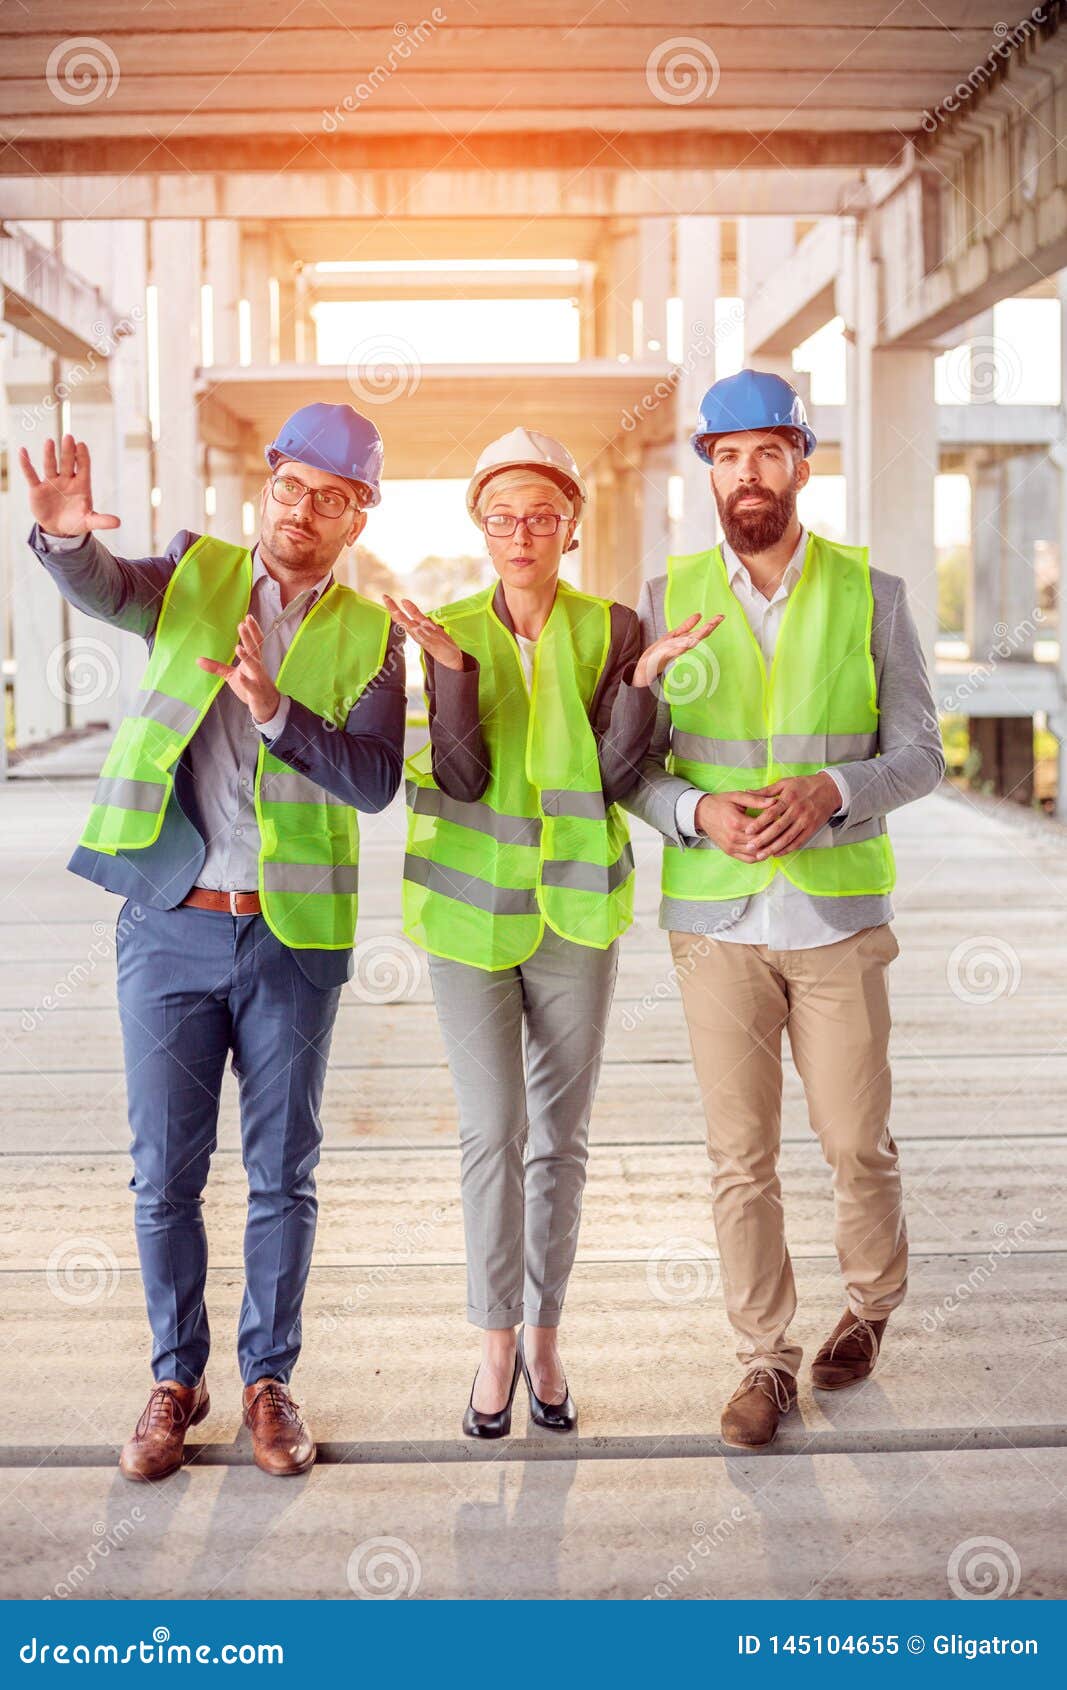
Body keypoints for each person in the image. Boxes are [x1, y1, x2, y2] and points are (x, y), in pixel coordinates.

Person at [19, 403, 407, 1480]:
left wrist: (281, 713)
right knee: (164, 1174)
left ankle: (268, 1383)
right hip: (170, 926)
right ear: (268, 485)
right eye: (291, 486)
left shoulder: (376, 637)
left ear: (356, 516)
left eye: (332, 498)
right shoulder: (191, 575)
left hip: (293, 938)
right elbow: (102, 586)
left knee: (284, 1170)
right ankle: (173, 1379)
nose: (304, 510)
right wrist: (60, 538)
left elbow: (375, 783)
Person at [623, 370, 946, 1451]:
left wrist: (835, 791)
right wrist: (691, 808)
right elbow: (630, 767)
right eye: (724, 455)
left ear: (802, 462)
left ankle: (867, 1303)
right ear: (705, 470)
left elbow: (920, 753)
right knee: (738, 1154)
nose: (745, 474)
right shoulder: (663, 602)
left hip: (834, 919)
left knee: (854, 1141)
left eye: (766, 452)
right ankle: (761, 1359)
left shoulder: (872, 593)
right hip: (714, 923)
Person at [385, 427, 720, 1438]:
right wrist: (447, 672)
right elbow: (455, 776)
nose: (521, 532)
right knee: (492, 1130)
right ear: (479, 526)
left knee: (559, 1141)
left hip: (576, 912)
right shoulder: (437, 627)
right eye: (501, 515)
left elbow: (620, 779)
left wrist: (644, 681)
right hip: (464, 920)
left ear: (569, 527)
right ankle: (493, 1341)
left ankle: (544, 1338)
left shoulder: (614, 626)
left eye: (541, 515)